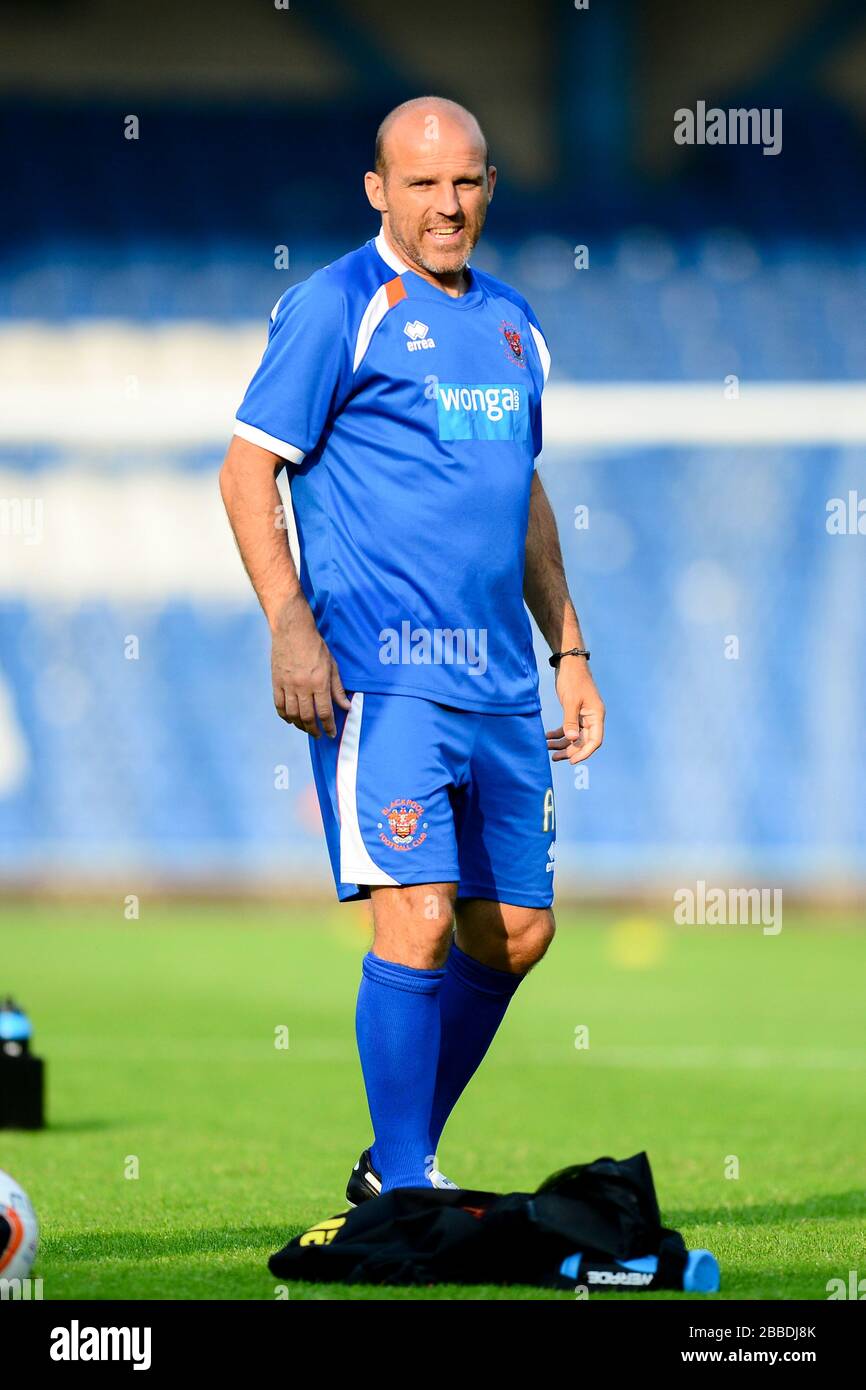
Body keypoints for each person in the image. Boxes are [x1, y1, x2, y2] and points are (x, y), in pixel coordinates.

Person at [219, 96, 605, 1200]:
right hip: (382, 680)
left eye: (466, 181)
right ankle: (408, 1180)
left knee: (516, 932)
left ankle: (394, 1166)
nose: (446, 204)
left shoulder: (515, 323)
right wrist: (290, 623)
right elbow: (248, 471)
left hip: (495, 686)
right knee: (420, 912)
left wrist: (567, 652)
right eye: (422, 183)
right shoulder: (336, 304)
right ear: (377, 189)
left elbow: (520, 494)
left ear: (488, 186)